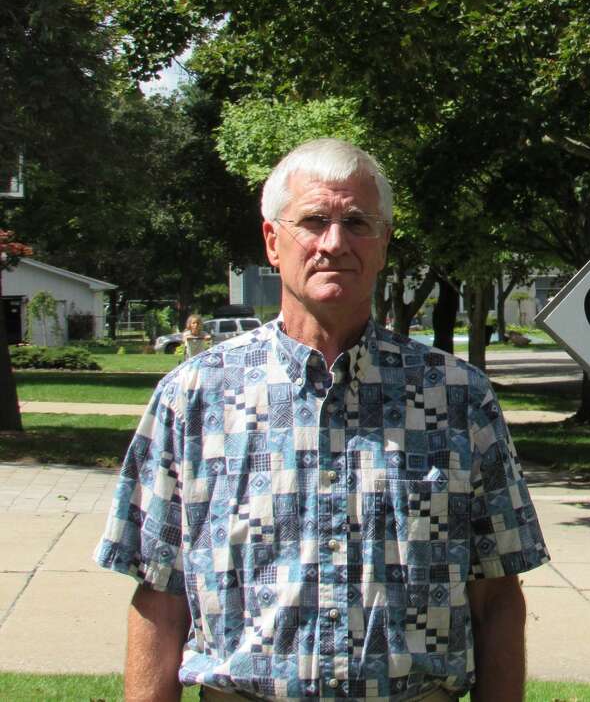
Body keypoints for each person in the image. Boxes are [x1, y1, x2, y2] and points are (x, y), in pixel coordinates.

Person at [95, 138, 549, 702]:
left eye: (357, 222)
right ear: (272, 242)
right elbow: (160, 596)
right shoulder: (194, 398)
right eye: (313, 221)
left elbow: (498, 600)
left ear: (383, 245)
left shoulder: (458, 399)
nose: (335, 243)